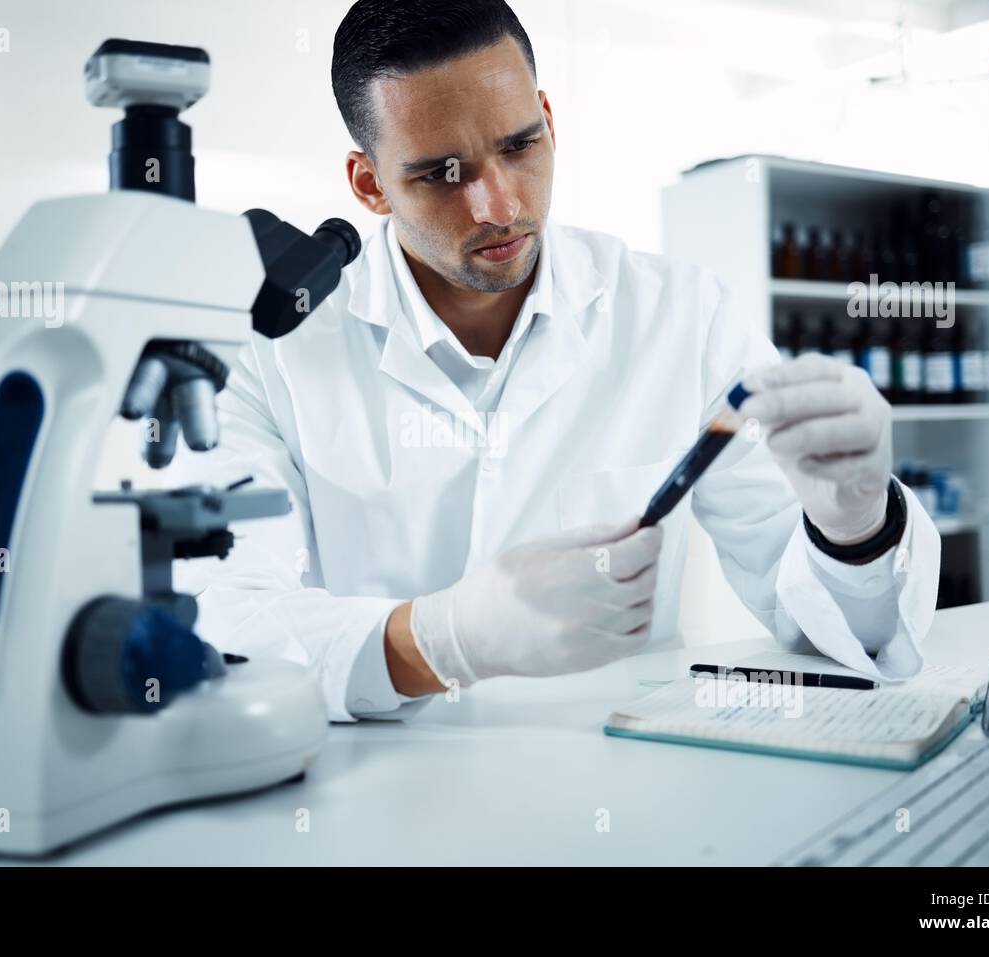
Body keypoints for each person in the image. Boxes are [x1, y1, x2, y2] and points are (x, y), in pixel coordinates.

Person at [174, 0, 940, 722]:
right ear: (370, 184)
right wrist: (440, 640)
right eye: (441, 173)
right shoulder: (267, 346)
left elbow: (841, 631)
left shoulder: (683, 315)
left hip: (623, 795)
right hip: (372, 801)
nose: (498, 206)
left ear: (548, 120)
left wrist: (853, 524)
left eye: (517, 146)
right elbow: (222, 617)